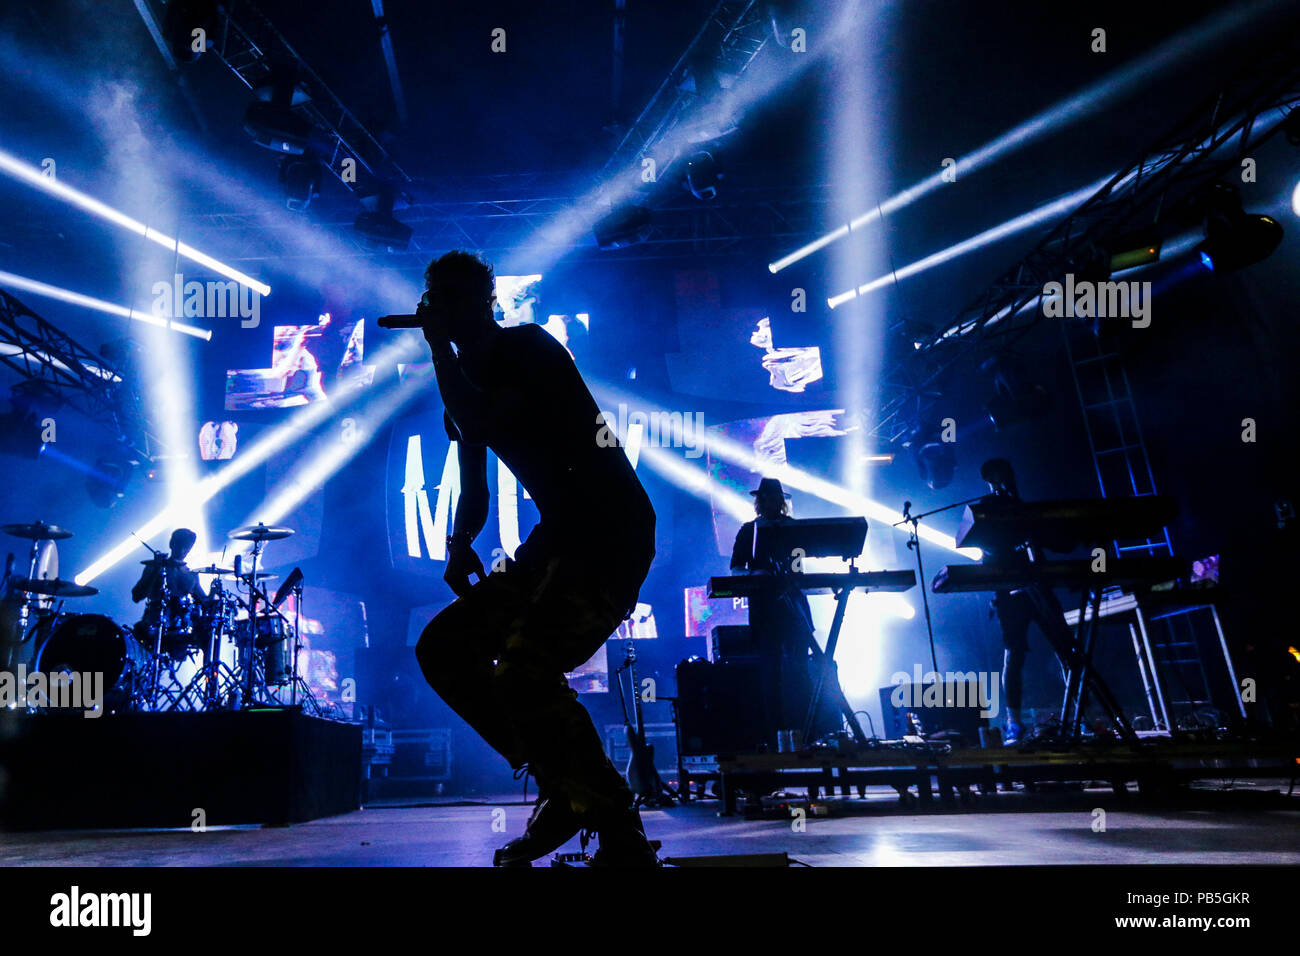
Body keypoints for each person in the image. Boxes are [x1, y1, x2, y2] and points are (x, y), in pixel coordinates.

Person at [413, 250, 659, 867]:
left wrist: (439, 351)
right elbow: (475, 484)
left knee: (524, 671)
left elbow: (482, 415)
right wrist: (459, 542)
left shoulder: (528, 348)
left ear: (484, 302)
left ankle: (613, 820)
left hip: (608, 533)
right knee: (444, 648)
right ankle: (561, 782)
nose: (443, 309)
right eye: (436, 296)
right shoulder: (462, 384)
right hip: (558, 539)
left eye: (456, 297)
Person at [976, 459, 1066, 744]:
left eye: (1008, 474)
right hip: (1010, 590)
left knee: (1066, 649)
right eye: (999, 475)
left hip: (1037, 583)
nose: (1006, 478)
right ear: (990, 478)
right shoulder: (988, 507)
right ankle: (1014, 724)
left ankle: (1077, 718)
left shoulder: (1023, 505)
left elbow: (1049, 542)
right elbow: (984, 547)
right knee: (1014, 655)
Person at [729, 477, 818, 746]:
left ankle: (808, 734)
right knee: (771, 673)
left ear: (781, 501)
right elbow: (735, 569)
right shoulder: (748, 531)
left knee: (801, 671)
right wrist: (758, 573)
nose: (769, 502)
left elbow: (802, 562)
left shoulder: (793, 529)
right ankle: (777, 738)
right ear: (760, 501)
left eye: (774, 497)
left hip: (794, 608)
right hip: (766, 611)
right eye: (765, 498)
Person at [131, 528, 206, 660]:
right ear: (172, 544)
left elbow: (204, 602)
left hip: (180, 630)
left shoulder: (191, 575)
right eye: (180, 545)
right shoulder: (154, 566)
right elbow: (136, 596)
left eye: (187, 548)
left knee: (207, 636)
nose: (183, 551)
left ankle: (209, 675)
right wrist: (156, 569)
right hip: (152, 626)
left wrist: (214, 592)